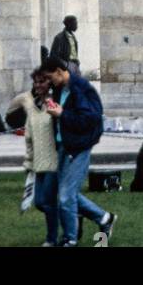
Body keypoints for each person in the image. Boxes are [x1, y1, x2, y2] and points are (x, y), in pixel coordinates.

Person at [40, 54, 116, 245]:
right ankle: (104, 218)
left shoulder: (81, 89)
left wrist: (62, 113)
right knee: (52, 196)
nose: (49, 81)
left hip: (77, 148)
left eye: (50, 77)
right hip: (60, 146)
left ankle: (70, 239)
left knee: (66, 196)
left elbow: (89, 119)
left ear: (59, 72)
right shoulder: (59, 89)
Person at [6, 67, 61, 246]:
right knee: (39, 202)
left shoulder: (55, 103)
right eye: (35, 82)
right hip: (38, 161)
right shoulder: (31, 105)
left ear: (50, 83)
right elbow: (29, 137)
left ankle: (51, 239)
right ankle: (75, 216)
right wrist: (28, 161)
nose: (37, 85)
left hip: (54, 160)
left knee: (49, 201)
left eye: (42, 82)